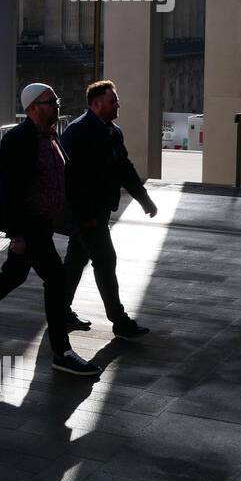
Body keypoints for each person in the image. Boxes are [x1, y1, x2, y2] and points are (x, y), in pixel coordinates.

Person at [0, 83, 102, 378]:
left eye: (56, 100)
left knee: (14, 275)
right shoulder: (18, 139)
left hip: (44, 222)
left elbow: (62, 179)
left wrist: (80, 214)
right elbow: (11, 190)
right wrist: (17, 234)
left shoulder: (50, 135)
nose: (57, 106)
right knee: (57, 281)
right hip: (30, 224)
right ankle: (62, 352)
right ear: (33, 107)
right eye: (51, 102)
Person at [61, 79, 158, 339]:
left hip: (99, 211)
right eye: (112, 101)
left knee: (76, 259)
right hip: (87, 214)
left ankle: (60, 312)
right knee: (105, 260)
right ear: (96, 105)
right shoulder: (77, 132)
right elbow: (69, 180)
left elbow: (123, 167)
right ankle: (120, 321)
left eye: (116, 100)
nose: (118, 105)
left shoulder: (113, 131)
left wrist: (144, 199)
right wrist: (84, 217)